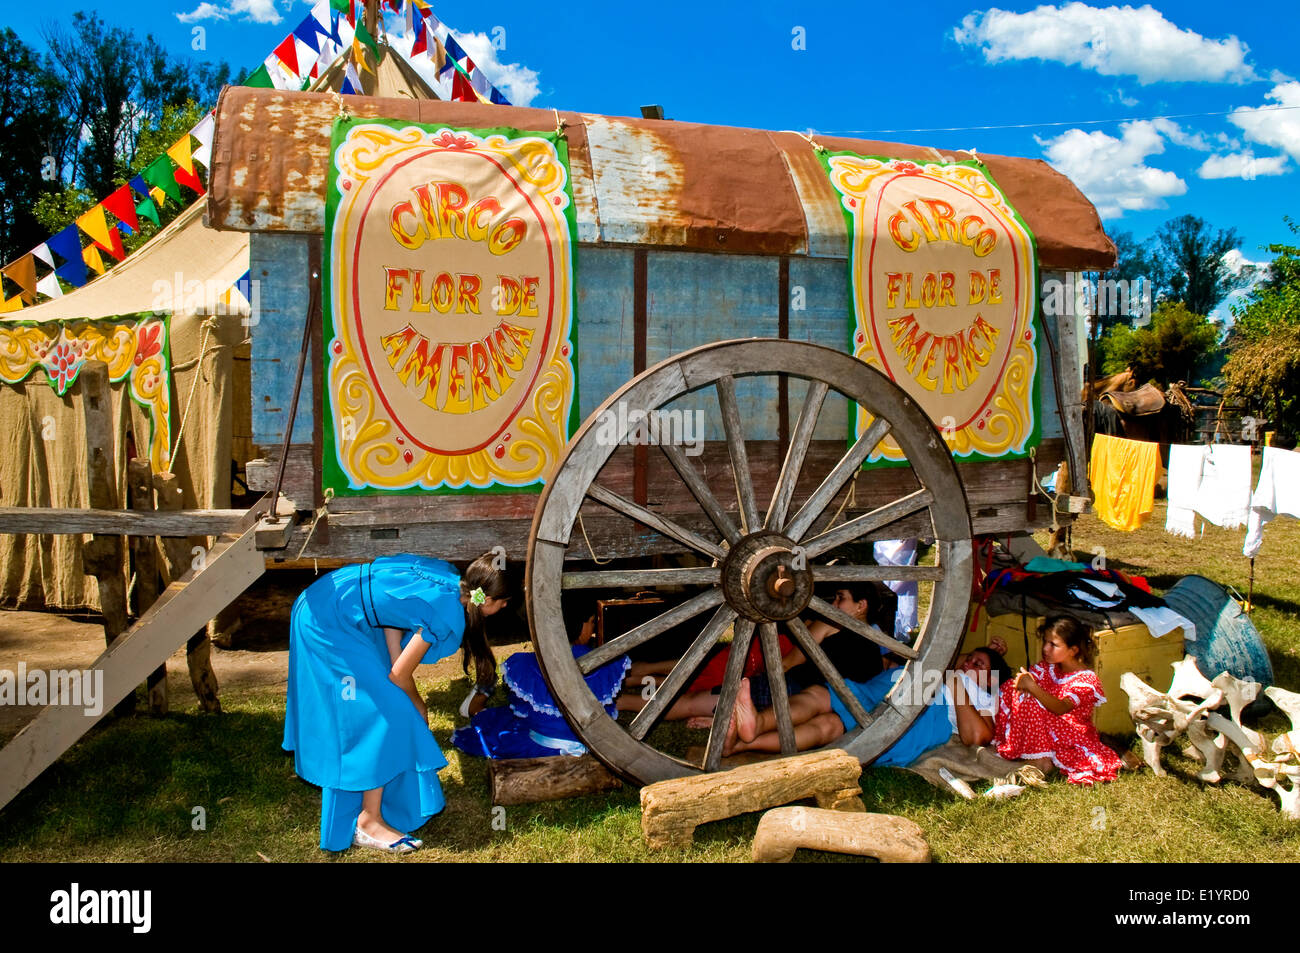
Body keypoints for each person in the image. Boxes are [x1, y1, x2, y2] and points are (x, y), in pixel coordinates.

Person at [283, 553, 510, 853]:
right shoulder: (449, 612)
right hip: (327, 620)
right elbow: (400, 674)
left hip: (332, 603)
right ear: (488, 600)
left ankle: (373, 802)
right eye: (504, 602)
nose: (505, 607)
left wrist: (394, 667)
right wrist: (418, 703)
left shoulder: (452, 580)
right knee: (384, 714)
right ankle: (368, 821)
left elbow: (394, 616)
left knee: (385, 702)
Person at [616, 584, 885, 723]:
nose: (833, 604)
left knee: (692, 700)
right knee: (696, 693)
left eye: (841, 598)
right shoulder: (874, 646)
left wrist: (757, 679)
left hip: (783, 690)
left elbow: (791, 662)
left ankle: (619, 703)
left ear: (861, 606)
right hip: (809, 707)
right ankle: (626, 693)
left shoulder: (832, 624)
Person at [725, 645, 1011, 764]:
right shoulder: (954, 668)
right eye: (969, 658)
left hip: (923, 713)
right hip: (896, 684)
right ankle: (757, 724)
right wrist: (958, 667)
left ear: (991, 678)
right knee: (821, 696)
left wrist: (957, 682)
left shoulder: (985, 696)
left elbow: (977, 736)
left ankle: (742, 744)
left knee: (831, 726)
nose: (969, 663)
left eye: (979, 663)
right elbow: (946, 646)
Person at [452, 595, 631, 759]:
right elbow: (606, 709)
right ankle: (476, 706)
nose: (593, 626)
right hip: (588, 742)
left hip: (542, 744)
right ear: (580, 625)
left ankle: (477, 705)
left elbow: (521, 707)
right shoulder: (598, 662)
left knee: (506, 719)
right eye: (592, 621)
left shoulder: (530, 664)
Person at [994, 615, 1137, 784]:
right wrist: (1023, 684)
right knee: (1012, 688)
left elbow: (1061, 708)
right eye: (1045, 642)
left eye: (1053, 645)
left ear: (1073, 650)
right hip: (1047, 725)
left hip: (1069, 731)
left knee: (1031, 701)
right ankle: (1021, 747)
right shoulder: (1048, 667)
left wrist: (1032, 687)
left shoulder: (1086, 680)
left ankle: (1041, 761)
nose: (1046, 648)